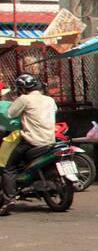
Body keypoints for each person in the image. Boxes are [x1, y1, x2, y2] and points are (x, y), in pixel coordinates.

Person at [1, 73, 57, 214]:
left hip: (32, 140)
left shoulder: (24, 99)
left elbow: (10, 114)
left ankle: (9, 199)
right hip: (50, 139)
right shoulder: (50, 100)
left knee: (9, 167)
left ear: (22, 89)